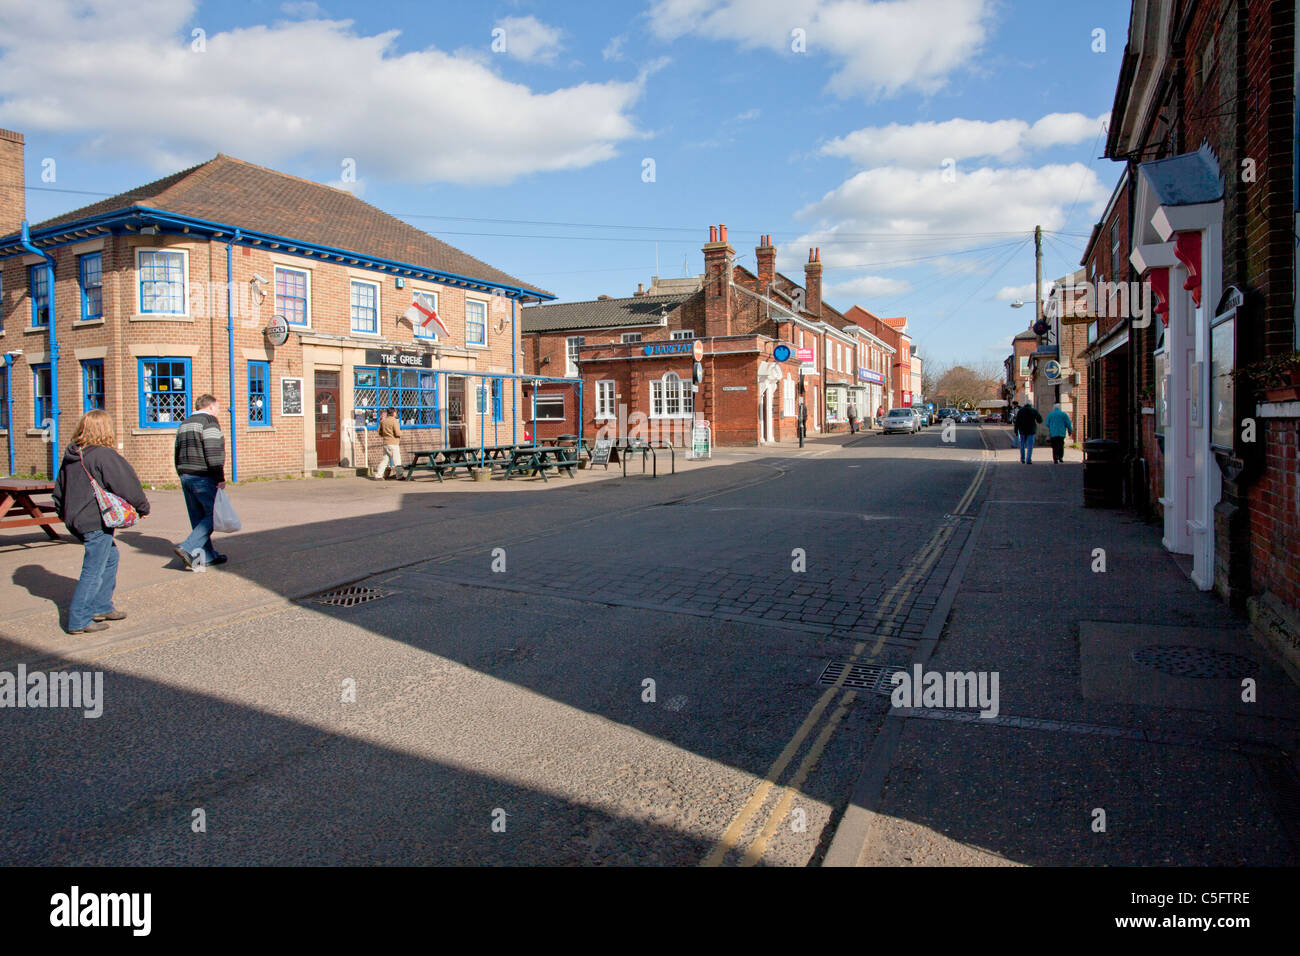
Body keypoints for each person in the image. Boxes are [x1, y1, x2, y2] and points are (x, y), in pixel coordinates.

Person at [52, 410, 150, 634]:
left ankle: (102, 606)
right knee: (93, 568)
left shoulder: (72, 455)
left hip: (76, 518)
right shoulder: (104, 455)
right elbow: (127, 484)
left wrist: (65, 514)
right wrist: (142, 507)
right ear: (106, 430)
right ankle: (79, 619)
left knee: (110, 556)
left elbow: (59, 490)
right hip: (95, 519)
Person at [173, 393, 228, 569]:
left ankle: (205, 558)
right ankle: (188, 547)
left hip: (185, 475)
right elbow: (213, 451)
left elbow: (177, 451)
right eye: (217, 408)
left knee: (198, 519)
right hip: (203, 475)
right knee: (213, 515)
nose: (218, 412)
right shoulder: (209, 422)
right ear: (210, 407)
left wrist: (181, 472)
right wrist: (219, 477)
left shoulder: (184, 423)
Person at [377, 408, 403, 480]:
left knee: (384, 460)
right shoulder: (394, 421)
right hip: (393, 443)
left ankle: (379, 475)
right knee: (397, 460)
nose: (396, 413)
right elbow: (397, 433)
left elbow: (379, 432)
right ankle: (399, 476)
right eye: (396, 412)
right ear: (393, 413)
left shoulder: (383, 421)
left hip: (385, 443)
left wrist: (385, 435)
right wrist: (401, 433)